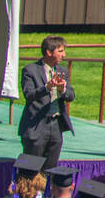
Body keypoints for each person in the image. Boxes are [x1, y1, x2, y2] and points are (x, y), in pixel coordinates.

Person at [18, 36, 75, 170]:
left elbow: (71, 96)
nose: (64, 55)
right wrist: (47, 88)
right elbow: (29, 95)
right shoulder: (30, 70)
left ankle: (48, 191)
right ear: (49, 52)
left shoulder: (62, 71)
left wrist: (63, 90)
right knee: (30, 171)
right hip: (36, 127)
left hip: (55, 126)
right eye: (60, 51)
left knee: (50, 170)